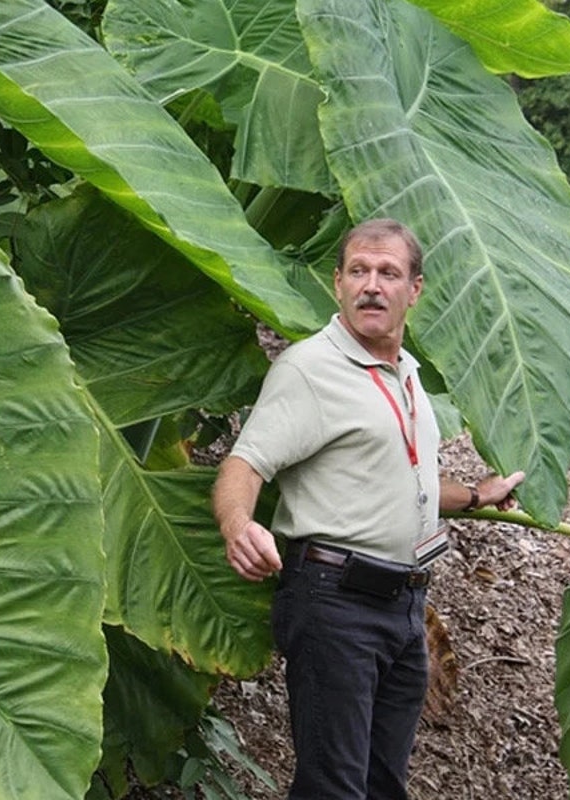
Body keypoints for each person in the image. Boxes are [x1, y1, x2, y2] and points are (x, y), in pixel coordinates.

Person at [212, 218, 525, 800]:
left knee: (384, 785)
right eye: (359, 271)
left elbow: (409, 475)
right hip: (336, 605)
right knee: (335, 788)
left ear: (416, 290)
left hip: (404, 606)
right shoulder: (309, 370)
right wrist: (238, 525)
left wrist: (480, 494)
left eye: (388, 273)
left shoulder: (407, 374)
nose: (372, 286)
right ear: (337, 284)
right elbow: (244, 465)